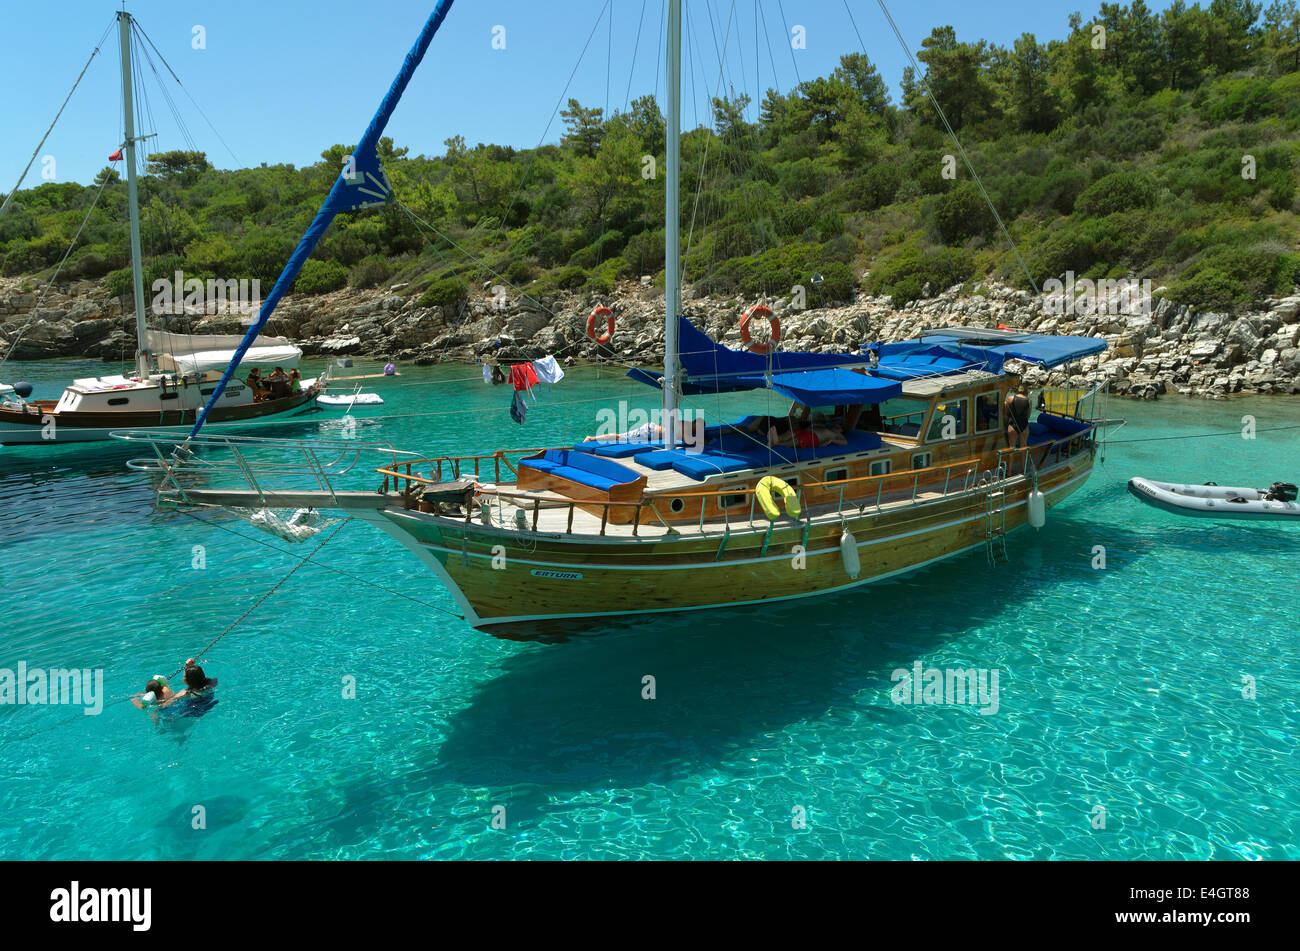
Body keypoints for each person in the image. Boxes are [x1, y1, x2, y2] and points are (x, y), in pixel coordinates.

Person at [768, 420, 848, 449]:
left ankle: (777, 443)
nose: (837, 426)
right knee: (792, 433)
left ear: (841, 431)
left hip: (812, 438)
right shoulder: (827, 427)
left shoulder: (836, 435)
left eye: (839, 426)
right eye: (837, 424)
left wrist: (832, 440)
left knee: (796, 441)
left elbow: (845, 442)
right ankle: (776, 439)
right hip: (806, 432)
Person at [1005, 383, 1032, 449]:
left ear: (1017, 390)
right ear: (1026, 391)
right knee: (1023, 447)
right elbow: (1028, 416)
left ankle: (1011, 459)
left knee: (1012, 447)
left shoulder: (1010, 398)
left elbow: (1006, 414)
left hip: (1012, 425)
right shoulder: (1029, 401)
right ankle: (1024, 460)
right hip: (1024, 425)